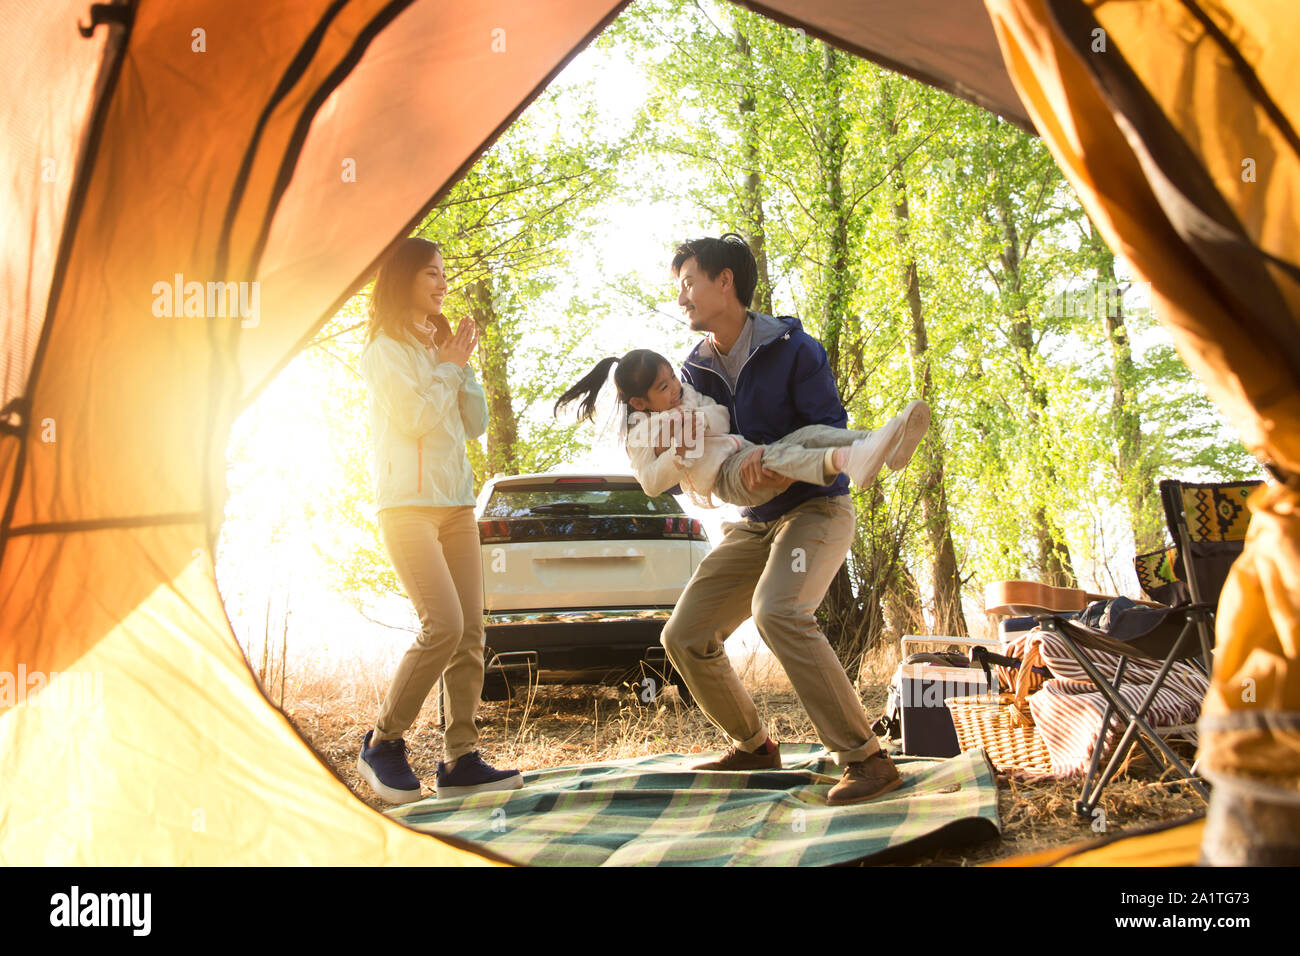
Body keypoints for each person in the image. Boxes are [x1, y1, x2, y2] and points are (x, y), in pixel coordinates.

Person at [657, 232, 912, 805]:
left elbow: (822, 425)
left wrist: (778, 470)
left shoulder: (796, 348)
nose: (682, 299)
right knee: (685, 634)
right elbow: (698, 457)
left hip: (815, 510)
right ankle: (753, 746)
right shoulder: (692, 372)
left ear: (725, 282)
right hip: (753, 523)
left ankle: (867, 759)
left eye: (689, 283)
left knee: (777, 610)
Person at [354, 236, 521, 803]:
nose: (442, 282)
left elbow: (472, 423)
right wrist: (448, 367)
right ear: (403, 280)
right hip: (406, 506)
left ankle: (460, 758)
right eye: (431, 273)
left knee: (471, 632)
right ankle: (383, 742)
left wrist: (459, 365)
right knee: (442, 624)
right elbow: (416, 417)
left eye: (443, 273)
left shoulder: (438, 347)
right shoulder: (383, 351)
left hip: (456, 505)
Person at [554, 347, 929, 509]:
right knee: (780, 455)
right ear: (639, 403)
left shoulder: (686, 400)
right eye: (663, 387)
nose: (675, 389)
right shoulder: (641, 434)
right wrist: (679, 452)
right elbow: (651, 483)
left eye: (673, 378)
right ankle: (849, 459)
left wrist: (693, 423)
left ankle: (882, 443)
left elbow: (719, 415)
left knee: (805, 436)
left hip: (741, 449)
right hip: (725, 478)